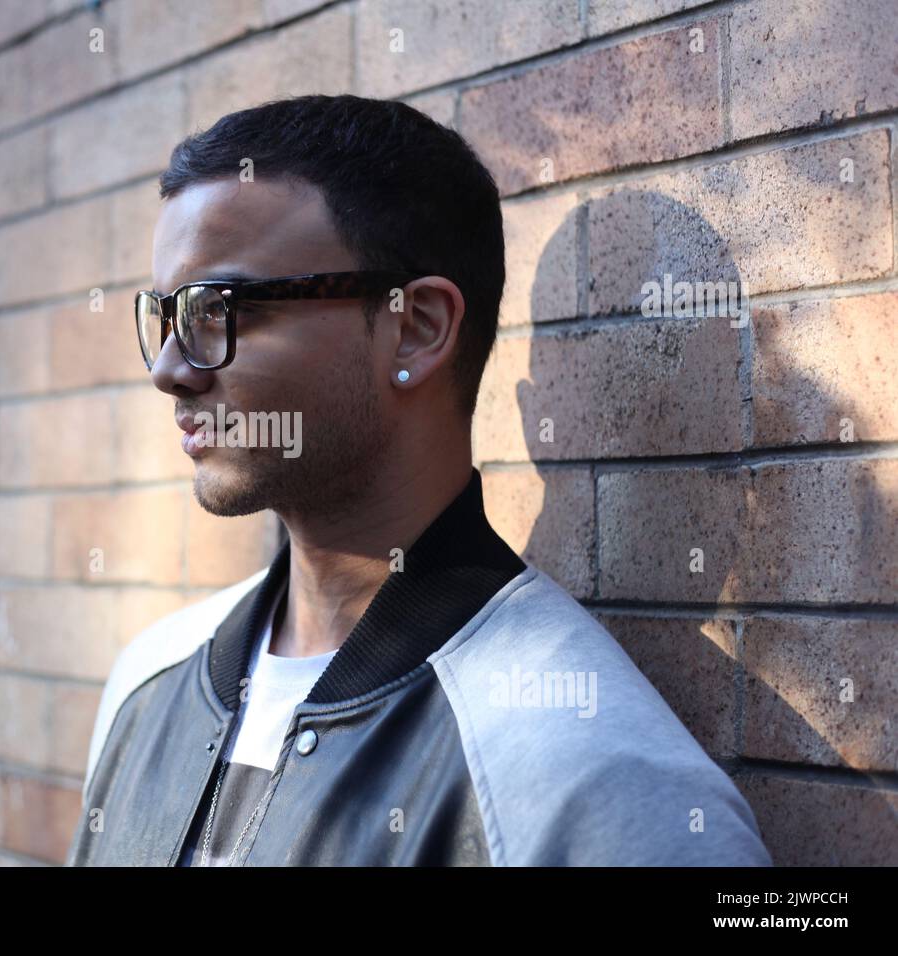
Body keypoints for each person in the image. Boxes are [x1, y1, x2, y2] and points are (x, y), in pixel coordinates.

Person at [65, 93, 772, 867]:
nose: (169, 370)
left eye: (218, 309)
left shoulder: (592, 778)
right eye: (165, 316)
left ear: (417, 326)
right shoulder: (153, 681)